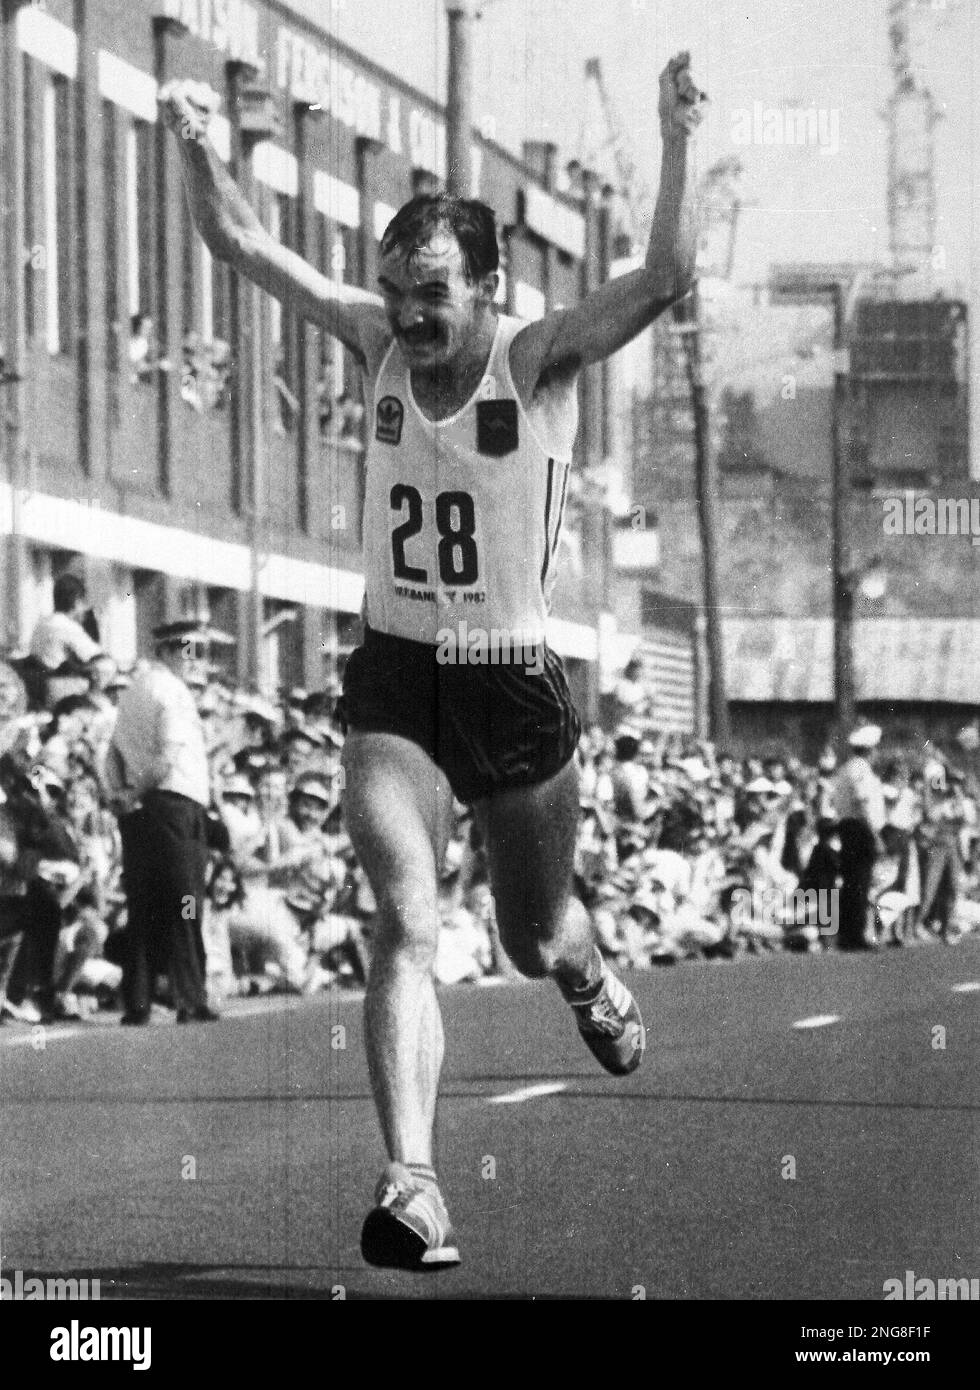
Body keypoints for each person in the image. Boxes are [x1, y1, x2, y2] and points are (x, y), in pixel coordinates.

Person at [160, 50, 704, 1270]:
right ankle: (413, 1184)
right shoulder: (377, 347)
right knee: (403, 915)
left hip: (512, 680)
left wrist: (670, 138)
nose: (409, 315)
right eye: (397, 290)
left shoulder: (540, 357)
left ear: (488, 285)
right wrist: (195, 142)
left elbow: (667, 274)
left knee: (529, 934)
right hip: (400, 674)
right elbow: (247, 250)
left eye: (433, 293)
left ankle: (586, 973)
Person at [105, 620, 219, 1024]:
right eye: (191, 651)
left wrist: (119, 795)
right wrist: (133, 793)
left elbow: (113, 752)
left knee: (145, 903)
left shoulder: (136, 690)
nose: (195, 661)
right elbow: (168, 755)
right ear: (171, 651)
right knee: (185, 900)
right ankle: (190, 997)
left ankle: (137, 1001)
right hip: (173, 806)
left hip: (143, 813)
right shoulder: (172, 691)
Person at [831, 724, 886, 950]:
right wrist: (875, 835)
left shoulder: (847, 768)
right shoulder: (860, 769)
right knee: (859, 882)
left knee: (854, 881)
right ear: (871, 749)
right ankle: (854, 935)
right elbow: (862, 803)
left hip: (850, 827)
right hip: (859, 828)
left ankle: (849, 934)